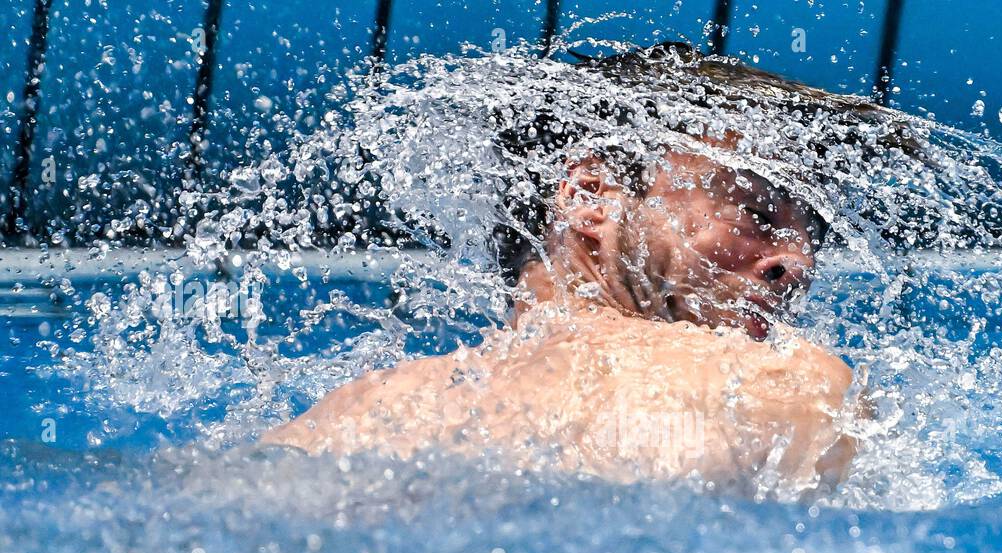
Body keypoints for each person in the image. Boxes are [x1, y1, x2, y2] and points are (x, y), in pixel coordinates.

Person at [262, 44, 880, 494]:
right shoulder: (791, 389)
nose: (800, 260)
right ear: (592, 197)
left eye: (815, 230)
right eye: (754, 210)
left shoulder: (356, 416)